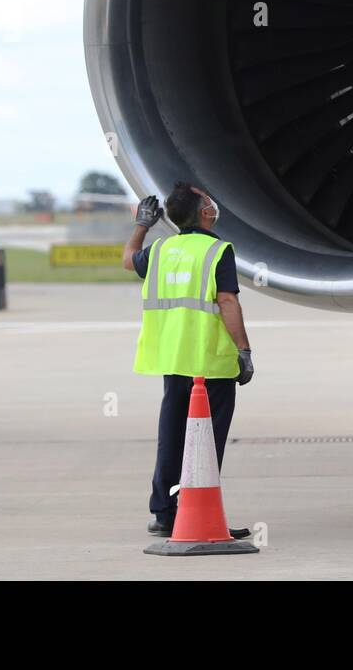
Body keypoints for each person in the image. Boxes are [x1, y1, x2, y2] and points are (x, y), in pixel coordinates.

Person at [122, 183, 254, 539]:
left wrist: (142, 225)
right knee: (207, 443)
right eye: (209, 201)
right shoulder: (217, 251)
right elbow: (227, 302)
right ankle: (199, 512)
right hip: (211, 363)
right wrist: (244, 350)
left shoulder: (161, 249)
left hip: (173, 360)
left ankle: (165, 514)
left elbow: (128, 260)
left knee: (172, 437)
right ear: (206, 213)